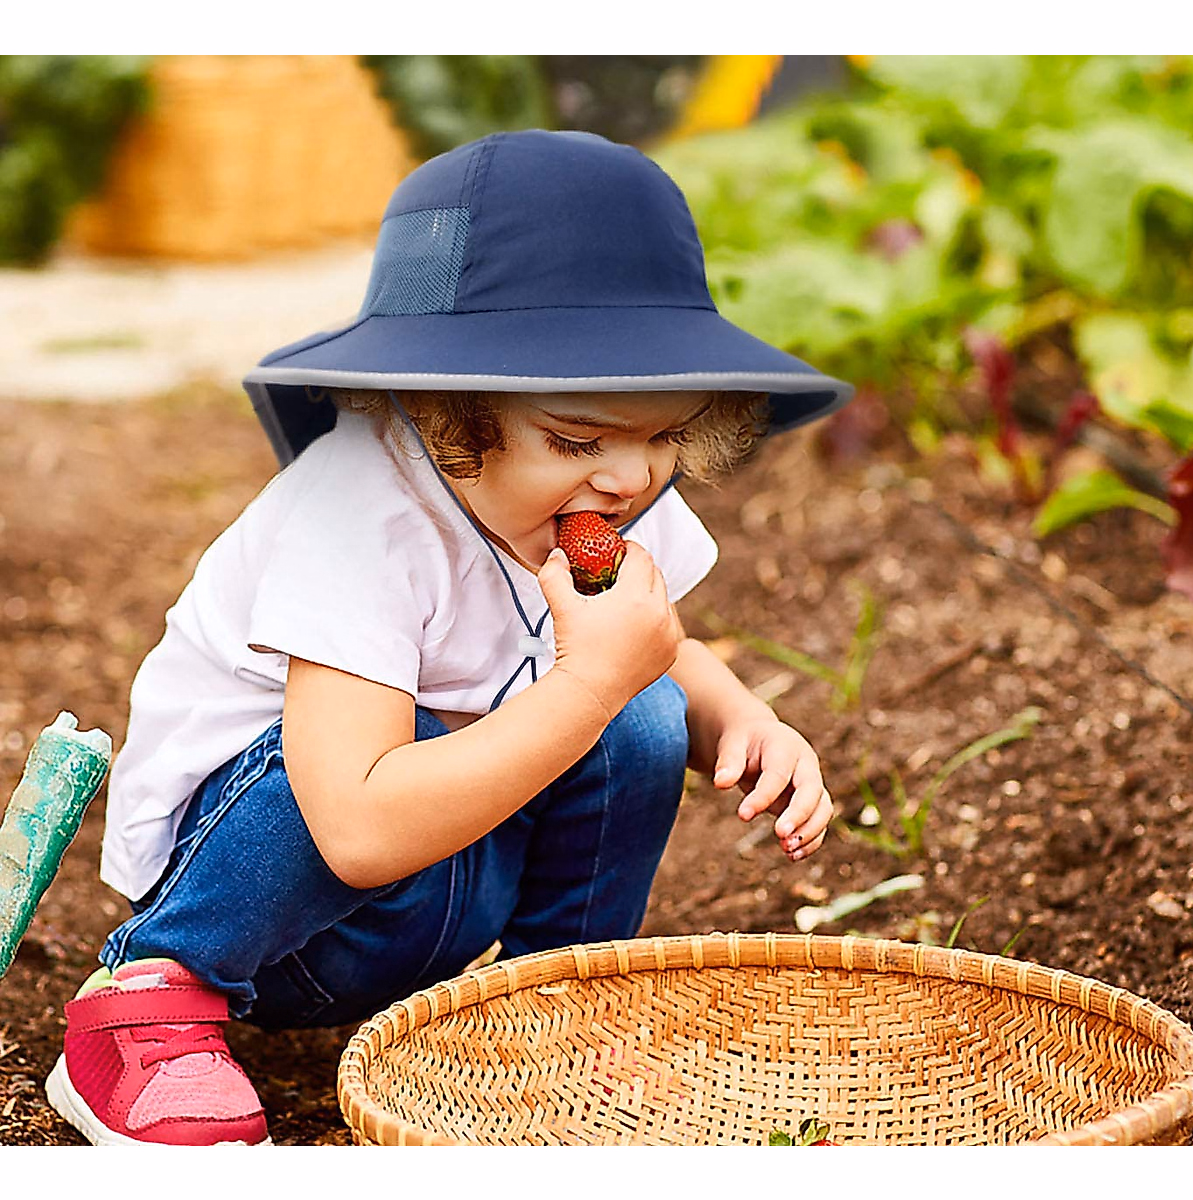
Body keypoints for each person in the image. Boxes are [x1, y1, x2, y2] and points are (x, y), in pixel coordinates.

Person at [45, 129, 854, 1146]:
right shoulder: (358, 516)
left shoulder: (610, 498)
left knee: (643, 707)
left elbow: (651, 649)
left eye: (663, 434)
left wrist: (742, 716)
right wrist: (587, 688)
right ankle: (146, 1005)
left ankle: (554, 1000)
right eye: (576, 438)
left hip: (447, 889)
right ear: (444, 413)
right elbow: (356, 824)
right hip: (282, 920)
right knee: (492, 710)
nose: (630, 479)